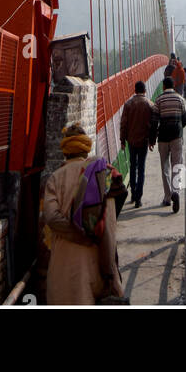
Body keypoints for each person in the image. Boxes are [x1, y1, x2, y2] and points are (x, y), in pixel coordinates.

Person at [43, 122, 124, 305]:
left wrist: (78, 234)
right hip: (98, 265)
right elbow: (109, 228)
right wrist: (112, 275)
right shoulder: (102, 176)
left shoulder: (55, 178)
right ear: (86, 149)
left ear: (66, 151)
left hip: (65, 268)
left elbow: (51, 217)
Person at [120, 79, 158, 207]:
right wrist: (152, 141)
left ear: (135, 91)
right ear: (145, 91)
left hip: (131, 140)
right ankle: (139, 198)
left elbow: (123, 124)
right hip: (144, 140)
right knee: (141, 168)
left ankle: (133, 193)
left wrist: (122, 140)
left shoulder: (128, 104)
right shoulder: (150, 105)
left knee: (133, 166)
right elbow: (154, 125)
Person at [151, 76, 186, 212]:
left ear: (164, 87)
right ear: (173, 85)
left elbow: (154, 121)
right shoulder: (180, 98)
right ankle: (176, 192)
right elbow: (185, 118)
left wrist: (152, 139)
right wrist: (178, 128)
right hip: (176, 136)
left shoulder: (159, 100)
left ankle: (167, 197)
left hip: (163, 137)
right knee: (178, 164)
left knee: (164, 167)